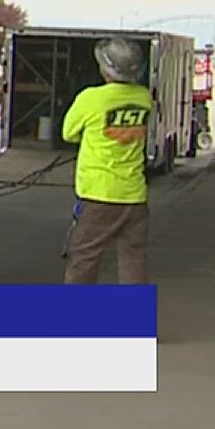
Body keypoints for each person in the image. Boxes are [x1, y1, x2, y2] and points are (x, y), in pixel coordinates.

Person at [59, 37, 154, 284]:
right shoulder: (143, 97)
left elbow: (68, 133)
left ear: (105, 69)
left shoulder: (91, 98)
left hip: (100, 194)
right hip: (134, 195)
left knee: (84, 258)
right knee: (133, 258)